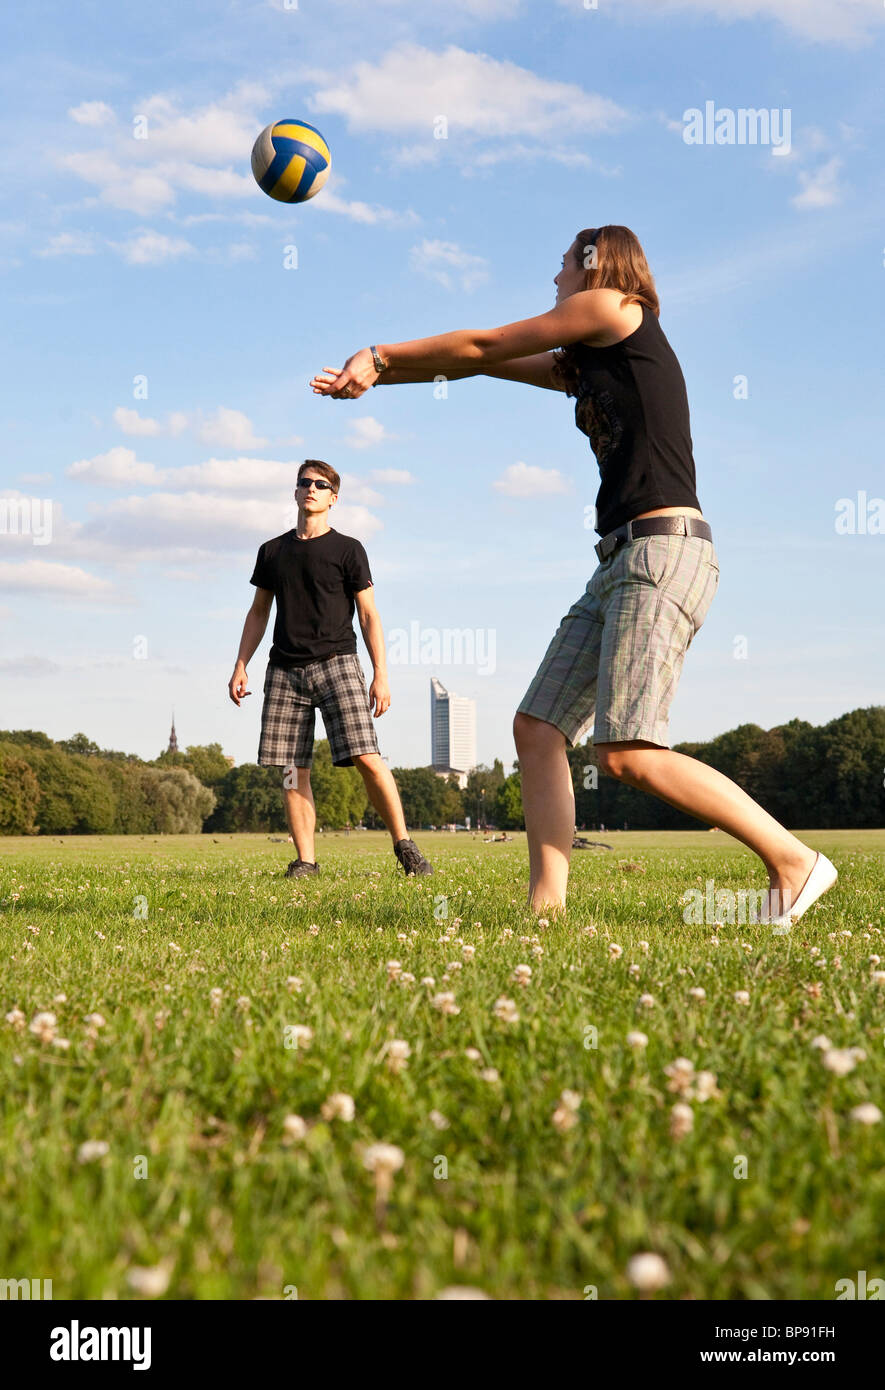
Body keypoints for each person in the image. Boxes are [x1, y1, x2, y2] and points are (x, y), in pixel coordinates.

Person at [308, 226, 837, 927]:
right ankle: (544, 911)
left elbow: (485, 344)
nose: (555, 277)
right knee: (536, 728)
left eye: (563, 265)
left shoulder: (616, 307)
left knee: (627, 753)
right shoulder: (585, 362)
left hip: (662, 552)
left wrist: (378, 352)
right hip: (618, 560)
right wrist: (376, 376)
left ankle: (794, 861)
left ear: (597, 264)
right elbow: (481, 364)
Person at [228, 459, 432, 878]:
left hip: (339, 664)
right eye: (305, 483)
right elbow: (258, 613)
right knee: (291, 770)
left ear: (333, 497)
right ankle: (306, 861)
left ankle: (405, 847)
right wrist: (240, 665)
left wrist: (381, 674)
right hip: (285, 670)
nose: (311, 489)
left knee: (368, 757)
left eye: (321, 485)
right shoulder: (272, 551)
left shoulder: (349, 549)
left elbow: (369, 615)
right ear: (296, 491)